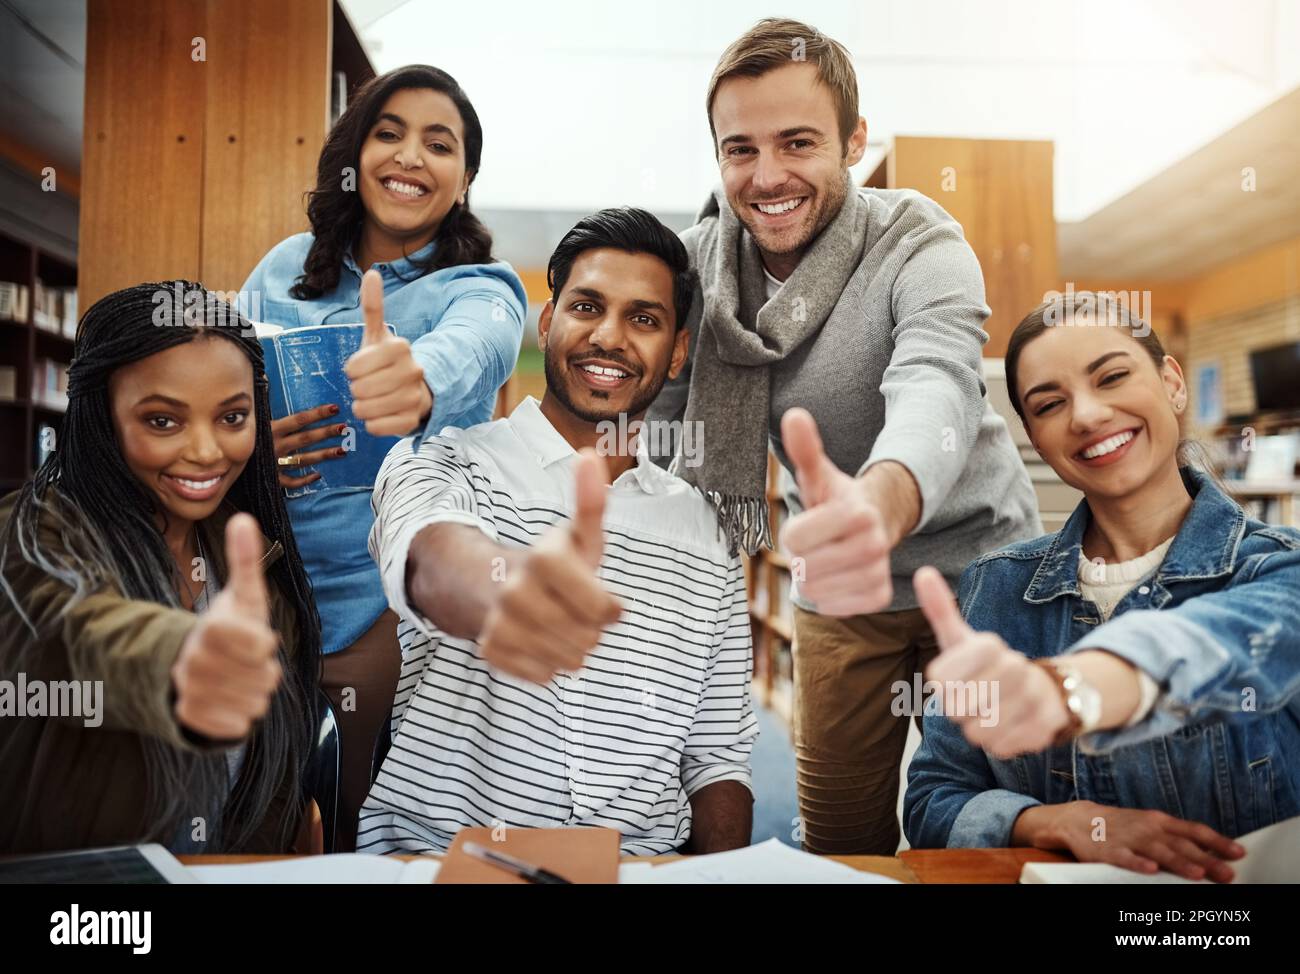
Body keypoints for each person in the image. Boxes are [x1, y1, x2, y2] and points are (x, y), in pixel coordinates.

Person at [645, 17, 1040, 855]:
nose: (767, 175)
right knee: (838, 839)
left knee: (988, 829)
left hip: (980, 571)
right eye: (739, 149)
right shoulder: (694, 271)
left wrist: (881, 503)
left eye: (797, 143)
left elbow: (936, 385)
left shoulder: (919, 240)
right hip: (837, 589)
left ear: (854, 140)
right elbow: (660, 434)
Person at [357, 208, 757, 855]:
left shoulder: (707, 533)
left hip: (639, 869)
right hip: (444, 860)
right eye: (587, 306)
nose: (610, 336)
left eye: (644, 319)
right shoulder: (442, 457)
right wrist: (503, 589)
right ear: (547, 324)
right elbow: (430, 551)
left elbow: (717, 759)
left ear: (678, 352)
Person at [904, 292, 1300, 883]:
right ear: (1035, 439)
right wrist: (1055, 821)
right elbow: (934, 799)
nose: (1086, 416)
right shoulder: (997, 588)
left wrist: (1069, 691)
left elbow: (1236, 641)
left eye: (1111, 376)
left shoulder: (1277, 567)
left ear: (1172, 382)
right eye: (1049, 404)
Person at [240, 64, 526, 847]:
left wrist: (416, 379)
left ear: (464, 177)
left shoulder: (484, 288)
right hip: (259, 589)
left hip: (385, 613)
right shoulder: (280, 270)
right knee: (251, 821)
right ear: (354, 152)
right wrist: (250, 435)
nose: (409, 156)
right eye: (389, 132)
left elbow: (474, 351)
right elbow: (217, 382)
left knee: (359, 826)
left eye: (440, 144)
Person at [0, 282, 321, 854]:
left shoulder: (246, 555)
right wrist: (180, 661)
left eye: (232, 417)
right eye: (162, 422)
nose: (204, 450)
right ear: (102, 416)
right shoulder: (28, 535)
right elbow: (78, 634)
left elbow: (267, 779)